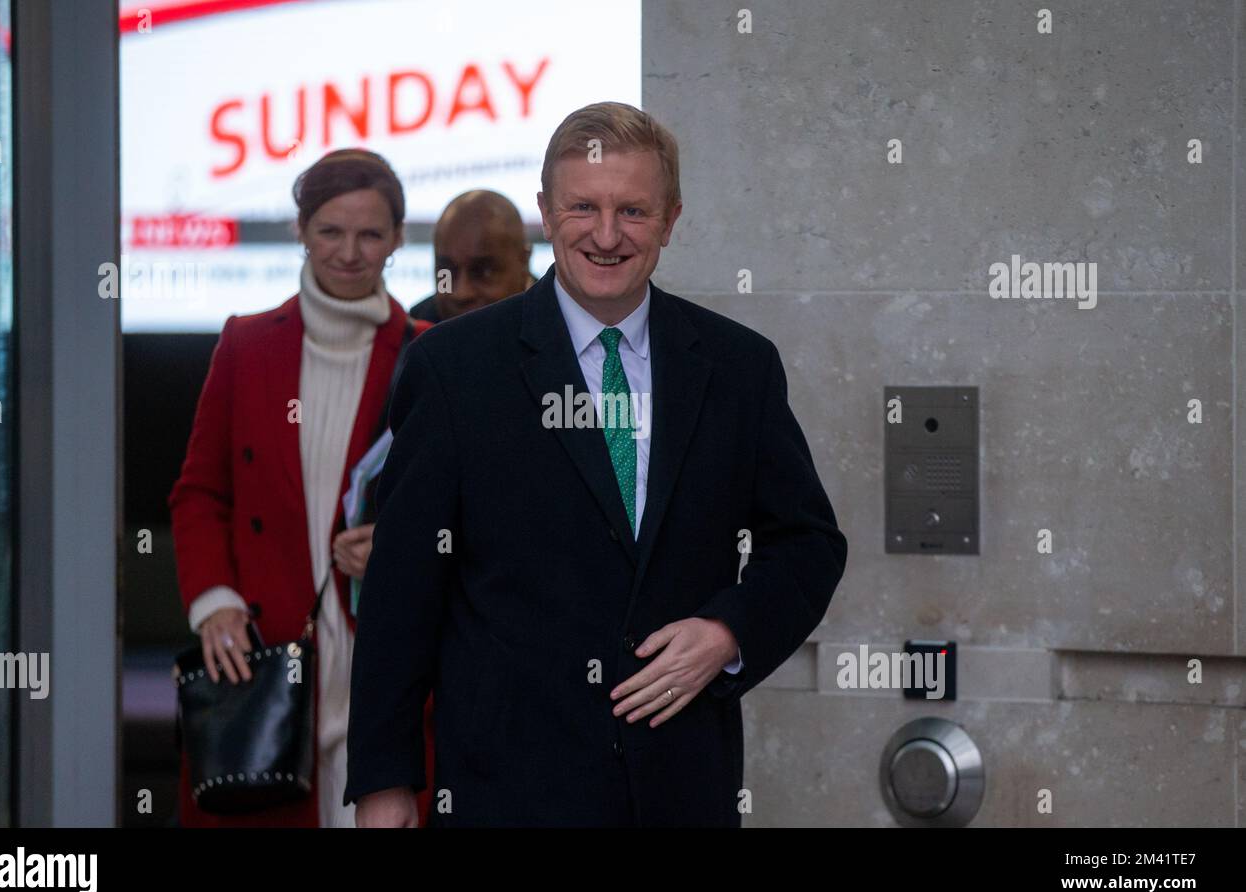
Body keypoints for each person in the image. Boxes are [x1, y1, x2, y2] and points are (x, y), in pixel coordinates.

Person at [344, 103, 847, 827]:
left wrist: (728, 630)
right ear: (546, 214)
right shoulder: (454, 370)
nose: (606, 235)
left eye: (633, 211)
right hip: (506, 792)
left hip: (682, 790)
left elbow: (808, 543)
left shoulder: (738, 367)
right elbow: (401, 592)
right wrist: (384, 787)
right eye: (583, 207)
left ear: (671, 219)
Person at [169, 148, 434, 827]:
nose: (349, 252)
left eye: (370, 233)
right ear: (300, 230)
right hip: (267, 657)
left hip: (387, 662)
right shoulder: (245, 345)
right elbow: (200, 493)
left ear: (399, 238)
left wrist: (403, 547)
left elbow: (470, 515)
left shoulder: (431, 355)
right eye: (329, 231)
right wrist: (214, 602)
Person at [407, 189, 536, 323]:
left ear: (524, 262)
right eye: (446, 272)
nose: (461, 294)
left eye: (484, 272)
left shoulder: (556, 319)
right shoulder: (417, 328)